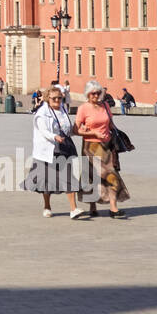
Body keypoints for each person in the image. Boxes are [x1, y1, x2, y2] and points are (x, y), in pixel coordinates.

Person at [23, 85, 84, 219]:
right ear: (47, 99)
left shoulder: (62, 110)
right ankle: (47, 206)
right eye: (54, 98)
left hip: (63, 147)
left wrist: (78, 132)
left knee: (68, 177)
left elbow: (67, 129)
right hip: (47, 149)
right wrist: (54, 136)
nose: (57, 100)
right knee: (47, 180)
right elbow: (43, 130)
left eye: (60, 98)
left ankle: (73, 209)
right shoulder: (41, 113)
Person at [73, 81, 127, 218]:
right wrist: (93, 133)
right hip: (90, 147)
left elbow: (111, 124)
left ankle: (113, 208)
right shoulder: (83, 108)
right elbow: (75, 130)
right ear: (87, 94)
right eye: (93, 93)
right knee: (93, 177)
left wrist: (114, 133)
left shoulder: (106, 106)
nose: (96, 95)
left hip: (107, 146)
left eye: (98, 93)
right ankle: (92, 205)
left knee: (112, 174)